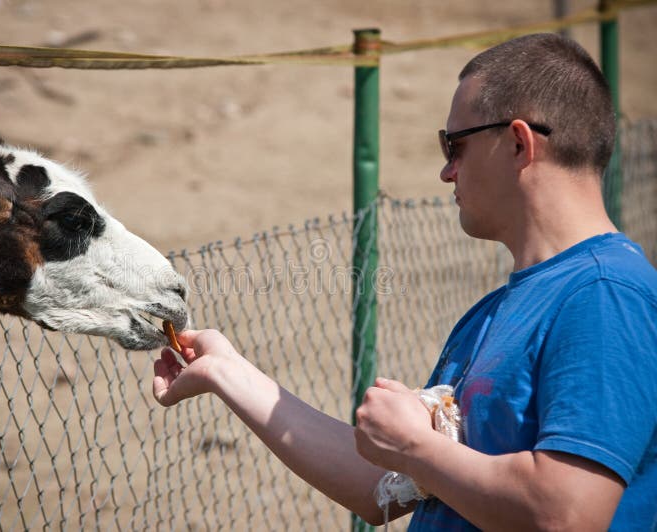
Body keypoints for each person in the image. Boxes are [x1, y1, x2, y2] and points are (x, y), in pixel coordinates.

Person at [151, 33, 657, 530]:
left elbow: (566, 514)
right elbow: (383, 487)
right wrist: (228, 372)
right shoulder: (492, 314)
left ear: (519, 143)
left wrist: (416, 445)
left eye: (454, 145)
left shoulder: (605, 293)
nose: (446, 171)